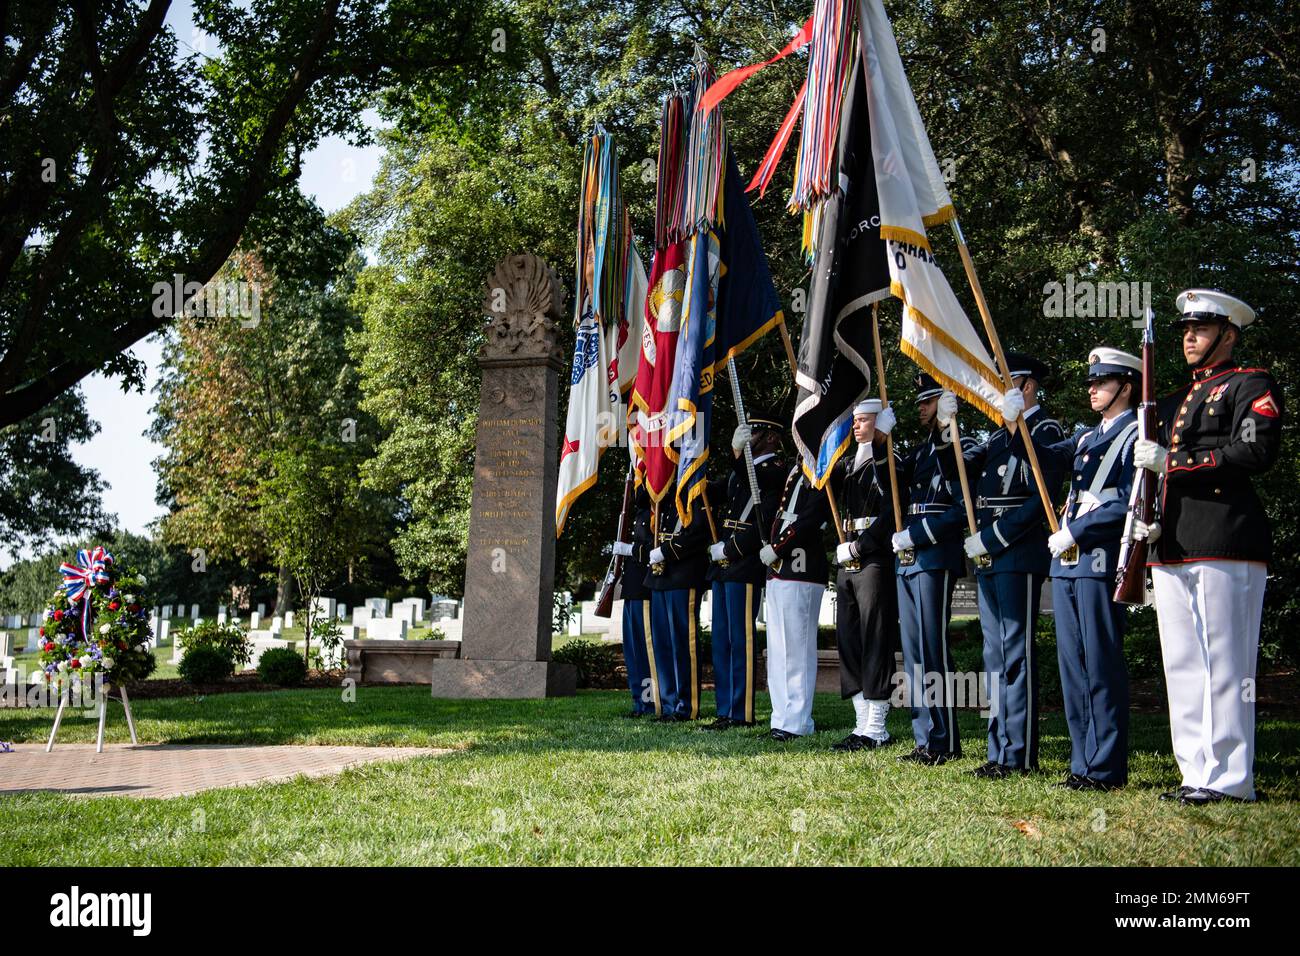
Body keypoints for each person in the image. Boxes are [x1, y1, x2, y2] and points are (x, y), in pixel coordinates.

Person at [1132, 289, 1283, 804]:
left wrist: (1172, 465)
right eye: (1185, 330)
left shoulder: (1250, 384)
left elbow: (1253, 450)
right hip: (1172, 541)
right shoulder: (1175, 399)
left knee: (1226, 664)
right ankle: (1195, 770)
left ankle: (1231, 778)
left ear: (1229, 334)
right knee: (1183, 665)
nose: (1189, 338)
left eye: (1200, 329)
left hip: (1225, 538)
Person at [938, 352, 1066, 778]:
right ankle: (999, 749)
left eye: (1006, 381)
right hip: (989, 552)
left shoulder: (1044, 430)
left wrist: (992, 537)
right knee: (996, 654)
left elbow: (1041, 495)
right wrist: (945, 431)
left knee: (1016, 652)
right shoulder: (995, 436)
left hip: (1016, 549)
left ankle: (1019, 754)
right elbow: (956, 472)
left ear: (1027, 386)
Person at [1034, 348, 1141, 790]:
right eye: (1091, 382)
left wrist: (1076, 531)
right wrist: (1011, 417)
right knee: (1074, 669)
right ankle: (1082, 764)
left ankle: (1106, 767)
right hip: (1067, 566)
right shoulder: (1083, 437)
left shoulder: (1137, 433)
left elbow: (1128, 501)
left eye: (1102, 381)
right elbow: (1037, 456)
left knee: (1101, 666)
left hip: (1097, 561)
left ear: (1126, 387)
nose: (1093, 389)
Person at [890, 373, 976, 765]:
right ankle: (924, 736)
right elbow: (890, 480)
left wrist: (918, 534)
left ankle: (945, 738)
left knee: (932, 647)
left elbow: (962, 508)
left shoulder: (963, 444)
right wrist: (879, 446)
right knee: (912, 654)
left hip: (934, 553)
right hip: (909, 557)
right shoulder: (921, 451)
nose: (920, 409)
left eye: (927, 402)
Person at [702, 416, 786, 730]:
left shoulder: (775, 471)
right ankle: (725, 709)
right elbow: (717, 493)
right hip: (723, 565)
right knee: (721, 641)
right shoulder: (743, 470)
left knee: (741, 639)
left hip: (744, 561)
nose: (749, 437)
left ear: (772, 439)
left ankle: (742, 711)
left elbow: (762, 522)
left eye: (756, 433)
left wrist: (730, 548)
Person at [829, 399, 900, 751]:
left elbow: (891, 512)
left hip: (874, 556)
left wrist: (862, 546)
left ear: (880, 422)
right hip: (848, 554)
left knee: (876, 638)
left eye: (864, 420)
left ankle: (877, 727)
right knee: (850, 639)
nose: (856, 426)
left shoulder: (889, 463)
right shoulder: (847, 463)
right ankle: (861, 723)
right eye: (854, 420)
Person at [760, 461, 831, 740]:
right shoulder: (796, 469)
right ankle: (782, 719)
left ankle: (798, 722)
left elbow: (810, 519)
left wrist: (777, 548)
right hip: (781, 567)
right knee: (778, 651)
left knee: (796, 651)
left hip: (800, 566)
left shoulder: (822, 468)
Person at [637, 489, 710, 722]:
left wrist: (666, 551)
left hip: (683, 575)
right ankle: (668, 704)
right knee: (662, 645)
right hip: (661, 577)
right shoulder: (666, 494)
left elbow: (699, 535)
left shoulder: (695, 491)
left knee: (682, 643)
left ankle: (685, 706)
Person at [612, 485, 659, 717]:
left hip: (644, 587)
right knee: (633, 653)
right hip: (632, 587)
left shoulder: (658, 511)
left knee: (645, 651)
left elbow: (653, 547)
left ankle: (650, 703)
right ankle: (639, 702)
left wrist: (631, 550)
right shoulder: (640, 513)